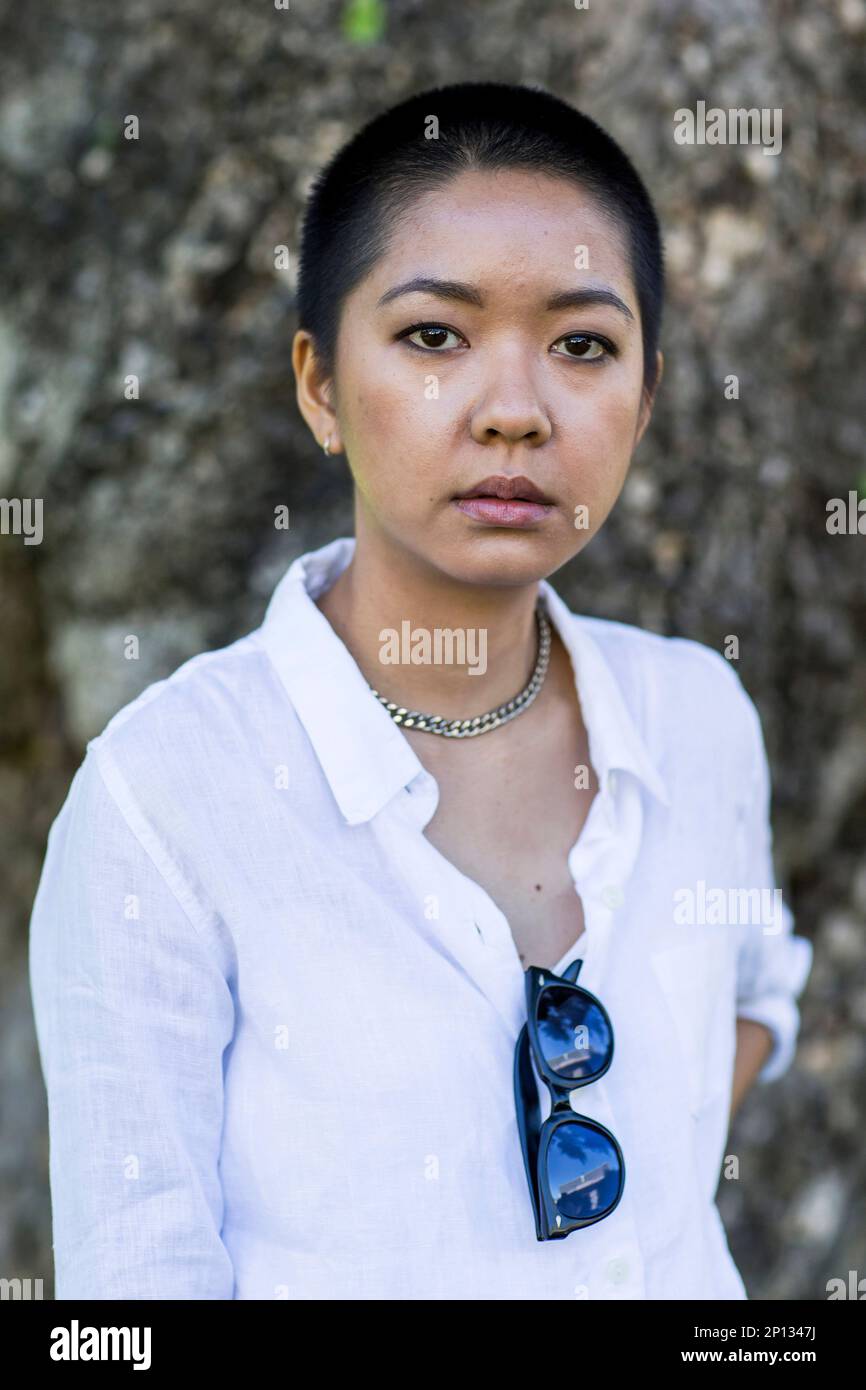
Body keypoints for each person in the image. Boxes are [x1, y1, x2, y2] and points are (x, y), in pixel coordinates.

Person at [29, 80, 812, 1299]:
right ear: (319, 386)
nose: (513, 411)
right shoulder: (168, 799)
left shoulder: (693, 717)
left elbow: (757, 990)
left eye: (583, 345)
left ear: (646, 399)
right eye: (435, 336)